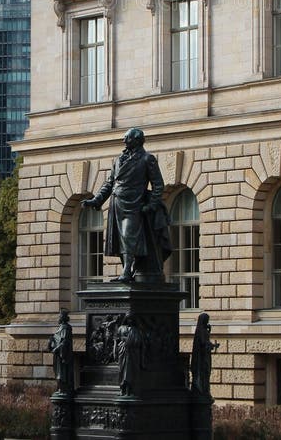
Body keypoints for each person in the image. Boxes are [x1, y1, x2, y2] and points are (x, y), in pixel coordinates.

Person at [82, 127, 171, 282]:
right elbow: (109, 183)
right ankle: (127, 272)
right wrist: (96, 200)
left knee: (129, 237)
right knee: (118, 240)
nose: (124, 140)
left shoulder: (147, 159)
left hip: (134, 205)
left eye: (127, 138)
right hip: (116, 204)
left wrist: (150, 205)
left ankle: (127, 272)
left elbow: (158, 185)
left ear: (136, 140)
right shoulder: (118, 159)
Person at [190, 312, 219, 396]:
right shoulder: (202, 331)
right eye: (207, 320)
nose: (208, 321)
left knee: (206, 373)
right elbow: (204, 343)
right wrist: (212, 345)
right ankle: (202, 390)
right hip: (202, 358)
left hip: (204, 356)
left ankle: (204, 390)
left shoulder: (202, 330)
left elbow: (205, 342)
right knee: (204, 373)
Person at [48, 309, 74, 394]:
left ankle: (63, 389)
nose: (58, 318)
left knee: (62, 373)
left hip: (62, 356)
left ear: (62, 318)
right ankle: (61, 388)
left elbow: (64, 341)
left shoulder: (65, 328)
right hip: (58, 355)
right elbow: (58, 339)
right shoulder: (61, 327)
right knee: (58, 372)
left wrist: (56, 348)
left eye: (59, 316)